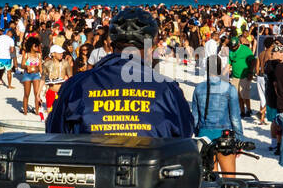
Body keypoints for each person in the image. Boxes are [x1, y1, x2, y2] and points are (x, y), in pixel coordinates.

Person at [45, 7, 193, 137]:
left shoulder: (75, 85)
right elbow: (185, 133)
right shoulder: (168, 89)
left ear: (112, 45)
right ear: (149, 48)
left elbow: (54, 132)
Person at [192, 55, 244, 173]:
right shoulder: (229, 88)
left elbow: (195, 118)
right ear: (220, 69)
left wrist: (198, 134)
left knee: (210, 181)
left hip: (204, 135)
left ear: (206, 68)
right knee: (229, 180)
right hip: (224, 136)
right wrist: (239, 139)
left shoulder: (198, 89)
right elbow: (235, 118)